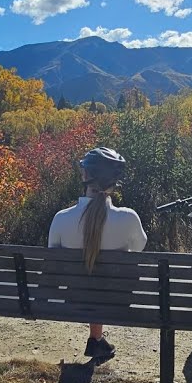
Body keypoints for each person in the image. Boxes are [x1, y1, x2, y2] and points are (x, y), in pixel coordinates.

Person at [47, 147, 147, 362]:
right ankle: (96, 339)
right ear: (114, 182)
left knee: (89, 282)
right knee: (101, 285)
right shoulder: (129, 218)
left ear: (85, 176)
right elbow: (138, 249)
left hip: (73, 300)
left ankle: (96, 339)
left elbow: (53, 261)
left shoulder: (61, 219)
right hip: (118, 301)